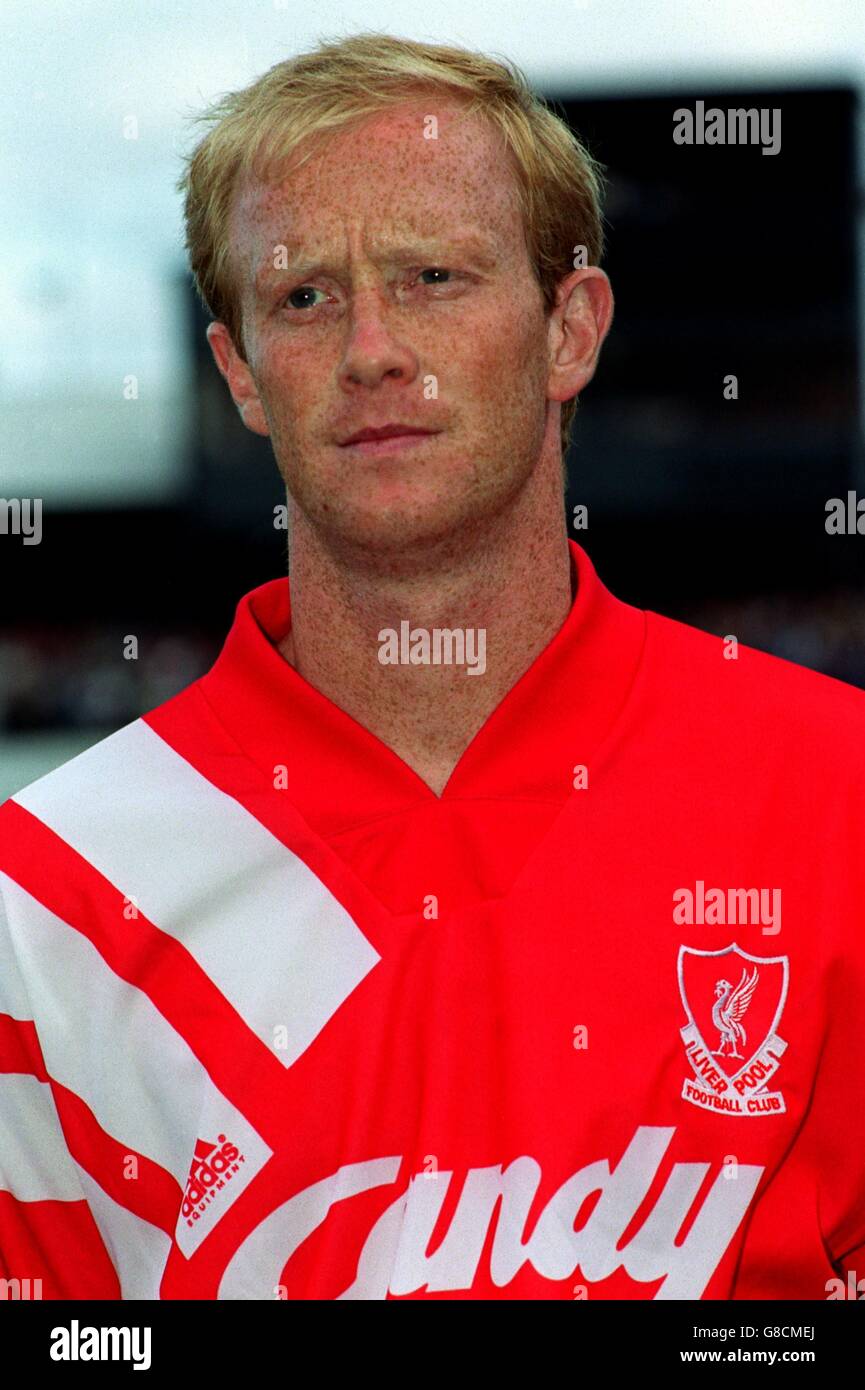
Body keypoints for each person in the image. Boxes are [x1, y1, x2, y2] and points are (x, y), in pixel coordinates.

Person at [1, 32, 863, 1302]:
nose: (371, 350)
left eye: (433, 276)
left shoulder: (837, 788)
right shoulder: (57, 887)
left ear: (570, 331)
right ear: (241, 372)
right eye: (302, 296)